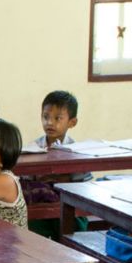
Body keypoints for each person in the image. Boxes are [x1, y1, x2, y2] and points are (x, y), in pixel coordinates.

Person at [22, 90, 91, 239]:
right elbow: (26, 179)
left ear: (72, 122)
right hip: (40, 206)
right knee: (32, 228)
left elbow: (83, 185)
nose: (50, 123)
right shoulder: (33, 148)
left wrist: (62, 181)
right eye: (45, 117)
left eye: (57, 118)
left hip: (68, 205)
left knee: (74, 228)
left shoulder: (77, 151)